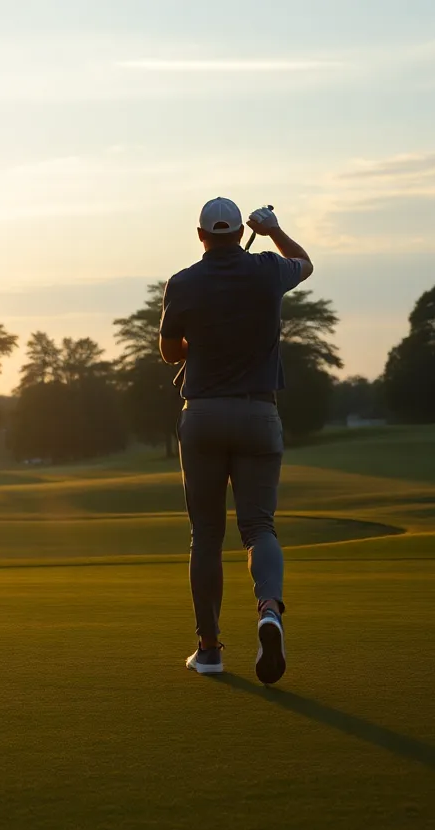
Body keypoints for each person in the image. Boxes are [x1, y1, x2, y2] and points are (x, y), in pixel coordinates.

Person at [159, 197, 313, 684]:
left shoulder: (182, 283)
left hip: (202, 414)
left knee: (206, 534)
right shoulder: (268, 269)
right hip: (258, 412)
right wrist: (273, 229)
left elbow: (168, 351)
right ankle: (268, 610)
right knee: (259, 528)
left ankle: (209, 650)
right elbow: (305, 264)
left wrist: (195, 345)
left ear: (201, 235)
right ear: (238, 232)